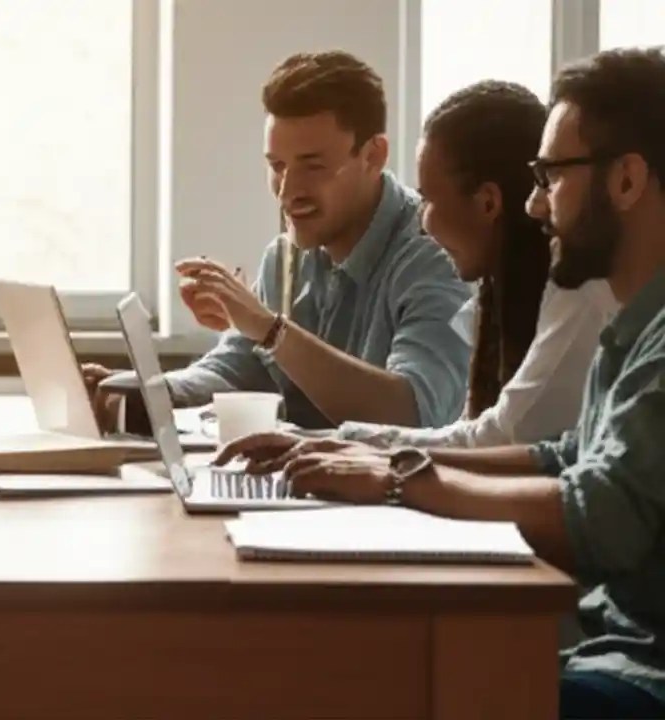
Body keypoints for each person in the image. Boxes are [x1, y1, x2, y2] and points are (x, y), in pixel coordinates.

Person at [221, 48, 665, 719]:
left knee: (358, 688)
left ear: (627, 180)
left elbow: (603, 515)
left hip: (640, 676)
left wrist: (404, 481)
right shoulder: (629, 331)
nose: (534, 205)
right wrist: (389, 461)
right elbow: (565, 454)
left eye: (550, 177)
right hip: (606, 653)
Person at [84, 51, 472, 431]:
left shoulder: (436, 255)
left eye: (313, 165)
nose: (288, 191)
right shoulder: (286, 258)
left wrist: (271, 331)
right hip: (310, 487)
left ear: (373, 155)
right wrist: (148, 393)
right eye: (277, 166)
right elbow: (237, 370)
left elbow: (418, 415)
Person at [333, 81, 615, 449]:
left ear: (487, 203)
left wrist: (352, 445)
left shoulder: (576, 291)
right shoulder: (498, 296)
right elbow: (475, 431)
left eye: (428, 200)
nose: (422, 221)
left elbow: (500, 441)